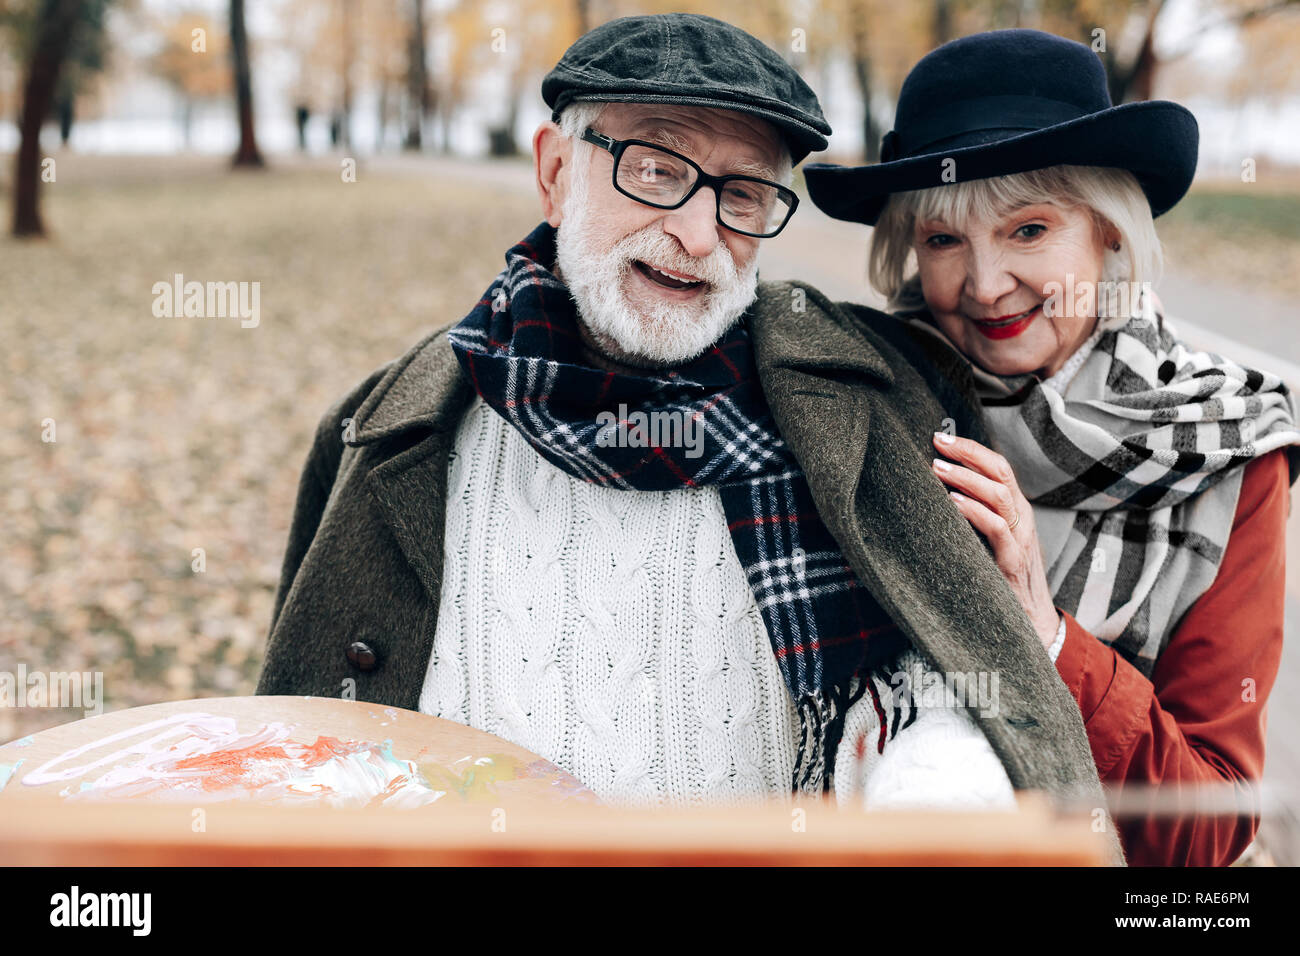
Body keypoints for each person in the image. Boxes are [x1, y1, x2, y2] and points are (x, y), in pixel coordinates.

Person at [256, 14, 1124, 863]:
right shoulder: (380, 432)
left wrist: (935, 784)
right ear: (556, 173)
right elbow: (302, 756)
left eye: (742, 194)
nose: (698, 235)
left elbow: (948, 678)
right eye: (657, 170)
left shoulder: (887, 399)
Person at [804, 27, 1300, 866]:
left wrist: (1045, 633)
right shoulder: (866, 399)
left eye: (1029, 230)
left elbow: (1210, 832)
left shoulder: (1233, 453)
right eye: (943, 239)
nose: (986, 284)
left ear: (1109, 230)